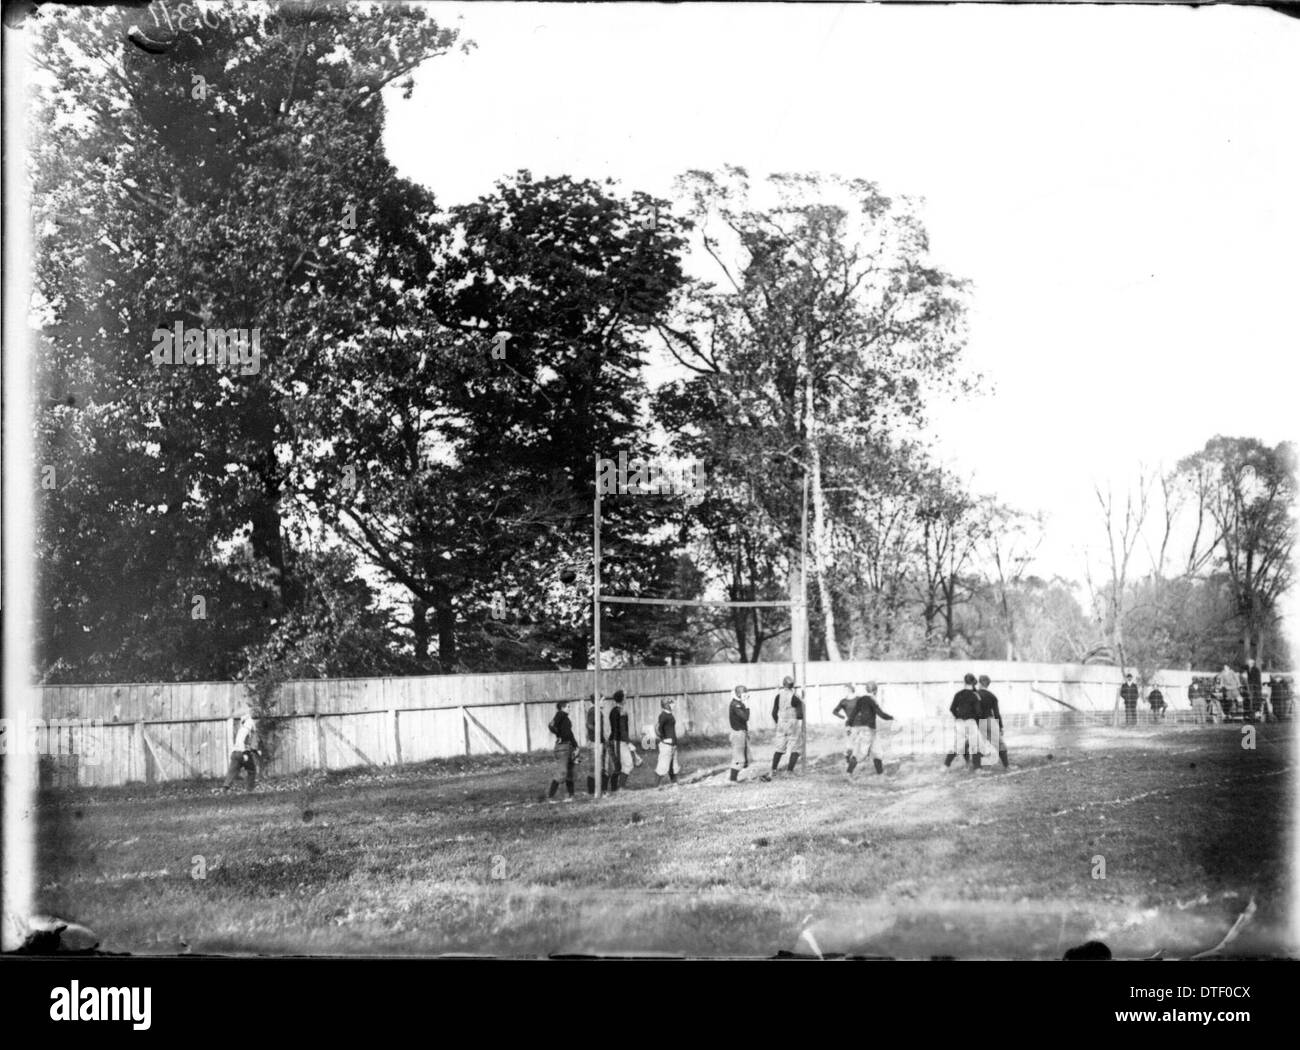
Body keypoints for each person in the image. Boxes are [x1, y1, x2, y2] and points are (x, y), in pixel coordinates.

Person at [841, 681, 894, 776]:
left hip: (869, 731)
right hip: (868, 731)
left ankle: (880, 776)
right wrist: (892, 717)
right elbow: (881, 714)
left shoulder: (861, 699)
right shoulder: (872, 700)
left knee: (878, 753)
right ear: (875, 691)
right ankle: (848, 774)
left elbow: (853, 713)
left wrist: (848, 724)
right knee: (861, 755)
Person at [943, 674, 983, 771]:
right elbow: (979, 712)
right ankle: (977, 769)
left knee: (957, 746)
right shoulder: (975, 695)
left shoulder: (958, 694)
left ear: (964, 682)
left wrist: (958, 717)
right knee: (975, 745)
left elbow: (952, 708)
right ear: (973, 683)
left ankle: (945, 766)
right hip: (970, 722)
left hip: (959, 722)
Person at [769, 675, 805, 776]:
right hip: (792, 724)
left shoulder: (778, 696)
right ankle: (789, 771)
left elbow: (773, 713)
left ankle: (773, 770)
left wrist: (779, 723)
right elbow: (800, 715)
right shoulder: (795, 697)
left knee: (779, 748)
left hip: (781, 724)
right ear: (793, 685)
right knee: (796, 748)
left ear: (783, 684)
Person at [220, 713, 261, 793]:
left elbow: (245, 743)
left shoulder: (241, 729)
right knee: (252, 770)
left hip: (235, 753)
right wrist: (245, 754)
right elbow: (242, 742)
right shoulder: (246, 730)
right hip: (242, 753)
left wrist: (255, 751)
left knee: (232, 771)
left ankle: (225, 788)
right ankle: (250, 790)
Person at [547, 701, 578, 803]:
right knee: (562, 772)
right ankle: (550, 797)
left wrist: (575, 745)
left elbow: (569, 733)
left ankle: (571, 796)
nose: (570, 708)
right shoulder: (560, 714)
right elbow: (551, 725)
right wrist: (558, 735)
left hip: (568, 747)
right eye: (568, 706)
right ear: (562, 708)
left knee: (570, 772)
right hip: (562, 748)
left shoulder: (566, 718)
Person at [977, 674, 1009, 768]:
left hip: (978, 722)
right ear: (988, 684)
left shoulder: (974, 695)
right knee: (1000, 744)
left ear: (979, 683)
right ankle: (1006, 766)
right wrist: (1001, 727)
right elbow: (997, 714)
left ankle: (976, 767)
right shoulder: (992, 696)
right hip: (990, 721)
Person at [585, 694, 610, 795]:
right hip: (596, 743)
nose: (604, 702)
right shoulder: (593, 711)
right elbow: (589, 725)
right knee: (598, 768)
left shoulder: (597, 711)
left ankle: (599, 791)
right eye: (602, 700)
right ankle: (596, 792)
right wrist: (598, 734)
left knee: (601, 767)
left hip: (599, 742)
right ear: (596, 701)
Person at [728, 685, 752, 783]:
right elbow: (745, 717)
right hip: (738, 734)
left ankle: (733, 778)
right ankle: (732, 780)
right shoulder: (735, 704)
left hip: (741, 733)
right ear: (739, 694)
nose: (746, 696)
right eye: (744, 694)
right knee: (739, 759)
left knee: (745, 759)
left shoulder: (738, 703)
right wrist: (747, 705)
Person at [655, 697, 681, 787]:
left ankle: (674, 782)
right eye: (669, 703)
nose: (672, 704)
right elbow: (658, 728)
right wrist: (664, 738)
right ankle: (656, 785)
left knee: (673, 765)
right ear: (665, 705)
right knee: (663, 765)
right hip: (667, 744)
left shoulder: (670, 714)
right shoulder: (663, 715)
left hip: (673, 744)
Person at [607, 690, 629, 791]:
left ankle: (614, 789)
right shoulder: (621, 711)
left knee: (617, 766)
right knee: (625, 764)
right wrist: (627, 742)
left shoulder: (613, 711)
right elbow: (621, 728)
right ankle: (620, 788)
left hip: (614, 739)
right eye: (625, 697)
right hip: (618, 740)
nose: (626, 698)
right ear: (622, 699)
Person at [830, 684, 859, 761]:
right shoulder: (843, 701)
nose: (843, 692)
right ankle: (847, 756)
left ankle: (856, 759)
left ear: (849, 690)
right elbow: (834, 711)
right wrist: (843, 717)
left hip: (860, 724)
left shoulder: (859, 699)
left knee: (860, 743)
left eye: (844, 690)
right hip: (850, 725)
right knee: (850, 746)